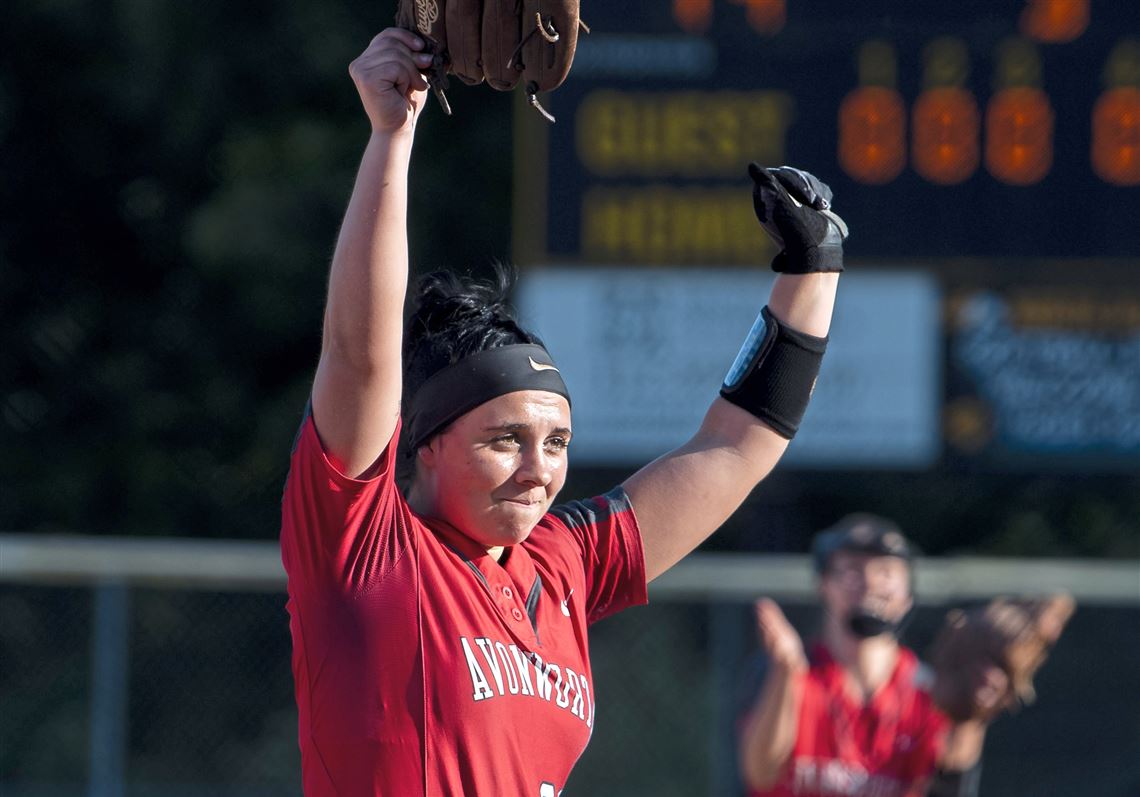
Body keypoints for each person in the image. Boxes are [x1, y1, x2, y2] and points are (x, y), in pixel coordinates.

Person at [280, 27, 845, 796]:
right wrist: (392, 135)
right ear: (428, 442)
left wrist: (812, 270)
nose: (540, 468)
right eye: (506, 439)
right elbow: (358, 355)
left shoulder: (564, 562)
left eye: (557, 440)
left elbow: (734, 446)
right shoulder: (364, 543)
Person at [737, 514, 1000, 797]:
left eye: (886, 571)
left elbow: (947, 788)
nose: (869, 582)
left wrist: (972, 714)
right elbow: (761, 774)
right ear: (824, 584)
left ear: (908, 595)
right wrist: (785, 670)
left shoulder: (926, 691)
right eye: (852, 569)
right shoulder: (789, 674)